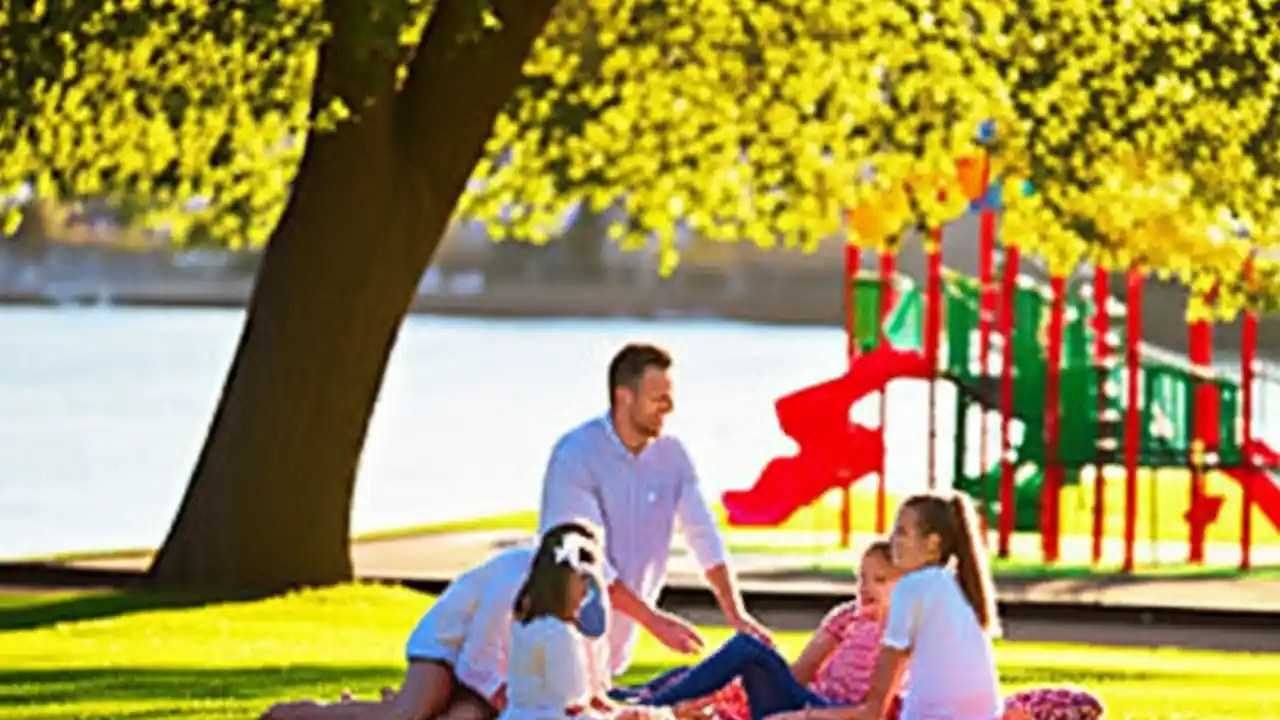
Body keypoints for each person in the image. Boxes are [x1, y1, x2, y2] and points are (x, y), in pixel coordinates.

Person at [538, 343, 769, 676]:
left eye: (670, 396)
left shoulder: (673, 456)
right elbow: (583, 561)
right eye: (658, 398)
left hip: (615, 650)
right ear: (624, 398)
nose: (670, 406)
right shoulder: (575, 454)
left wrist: (736, 615)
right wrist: (654, 621)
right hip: (560, 634)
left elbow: (704, 535)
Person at [261, 523, 605, 720]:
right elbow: (476, 657)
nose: (585, 592)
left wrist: (596, 700)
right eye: (582, 581)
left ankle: (382, 703)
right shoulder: (511, 580)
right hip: (444, 650)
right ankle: (300, 714)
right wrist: (503, 696)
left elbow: (573, 660)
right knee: (407, 715)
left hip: (490, 682)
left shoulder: (560, 605)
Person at [772, 492, 1001, 720]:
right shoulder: (957, 588)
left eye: (901, 532)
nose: (892, 541)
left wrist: (802, 717)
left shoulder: (912, 589)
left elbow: (873, 712)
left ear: (933, 544)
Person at [619, 540, 904, 720]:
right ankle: (617, 699)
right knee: (692, 674)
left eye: (880, 580)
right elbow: (801, 672)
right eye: (861, 578)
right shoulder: (846, 616)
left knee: (747, 648)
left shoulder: (903, 629)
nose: (865, 588)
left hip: (829, 714)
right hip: (809, 701)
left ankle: (650, 710)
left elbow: (876, 710)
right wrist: (750, 684)